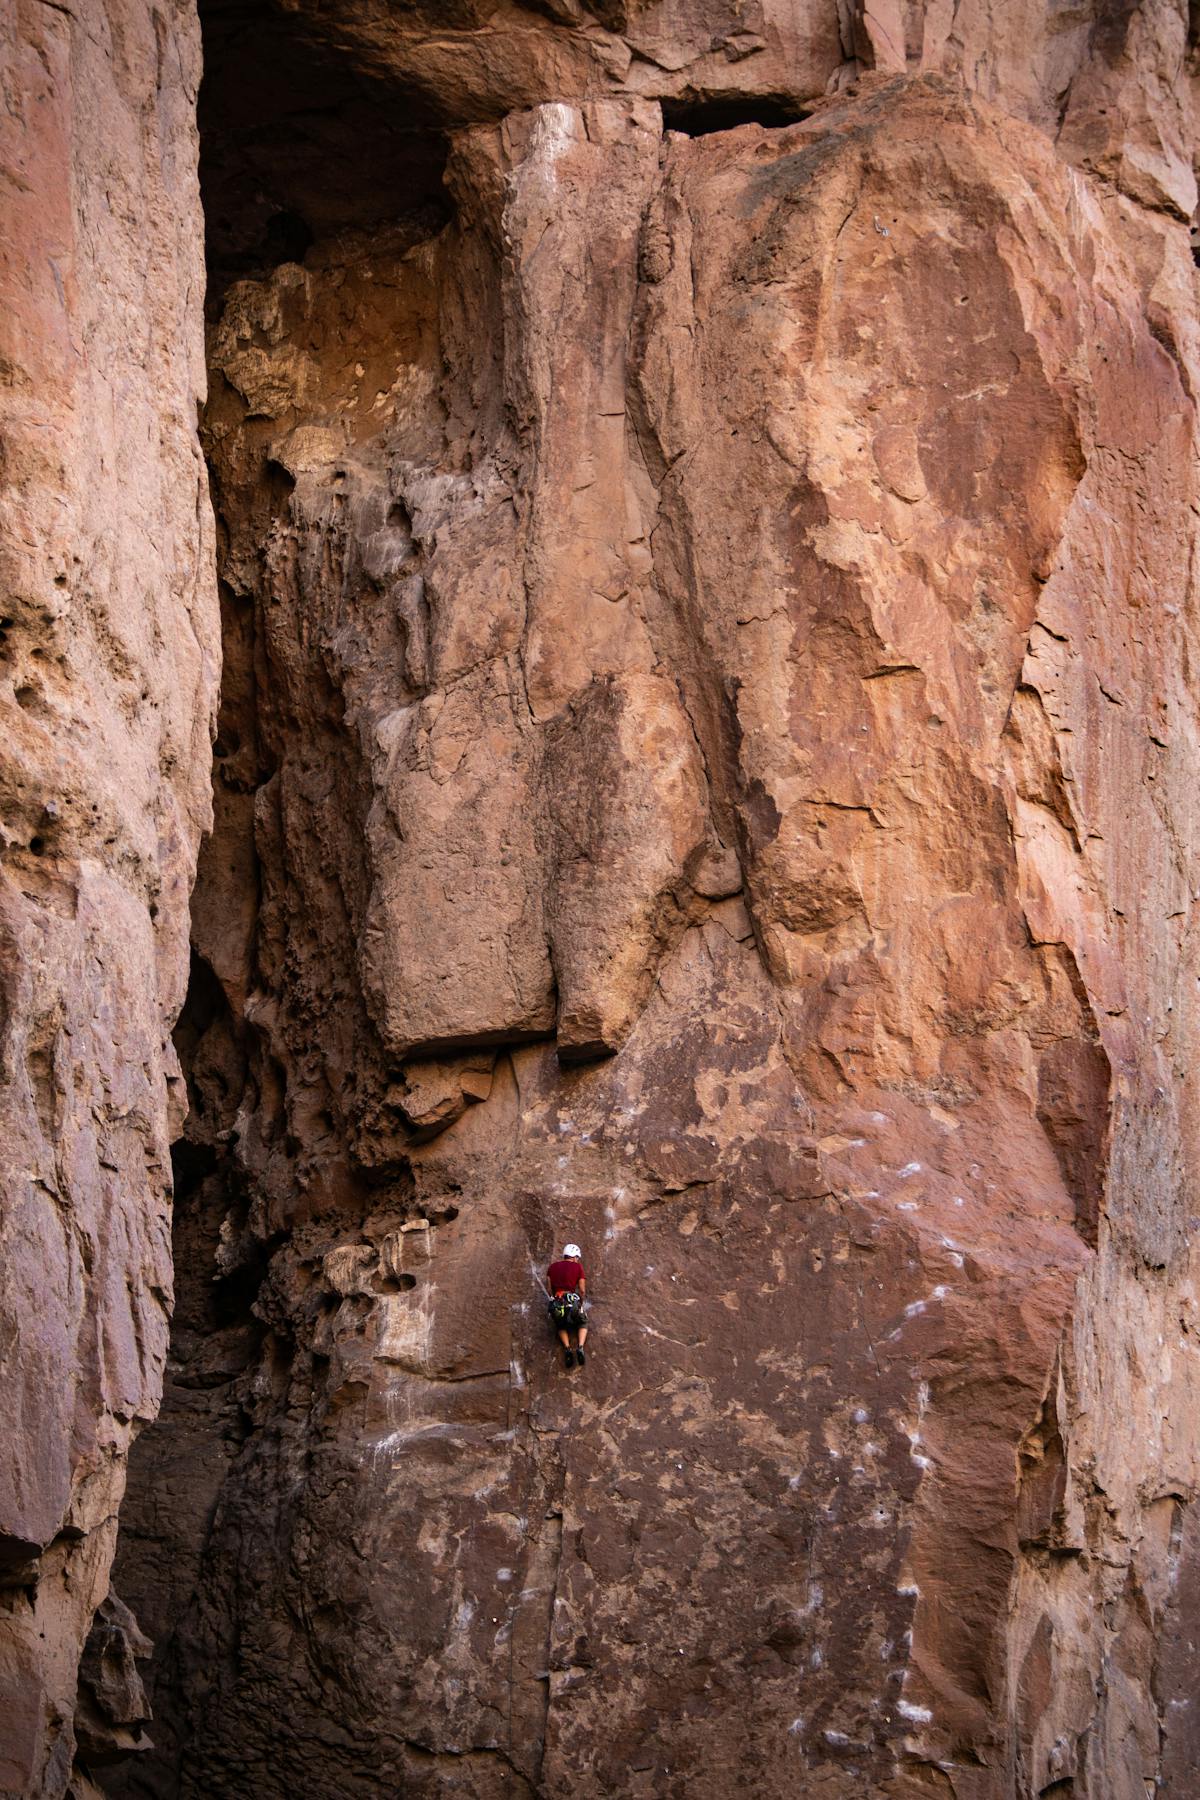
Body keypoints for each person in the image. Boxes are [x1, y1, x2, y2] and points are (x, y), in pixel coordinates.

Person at [547, 1242, 588, 1369]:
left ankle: (567, 1348)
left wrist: (554, 1299)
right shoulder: (578, 1267)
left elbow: (549, 1289)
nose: (578, 1260)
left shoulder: (552, 1267)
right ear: (574, 1256)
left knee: (560, 1325)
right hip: (571, 1300)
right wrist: (580, 1302)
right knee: (583, 1322)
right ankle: (580, 1347)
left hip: (558, 1301)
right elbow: (582, 1290)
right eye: (577, 1258)